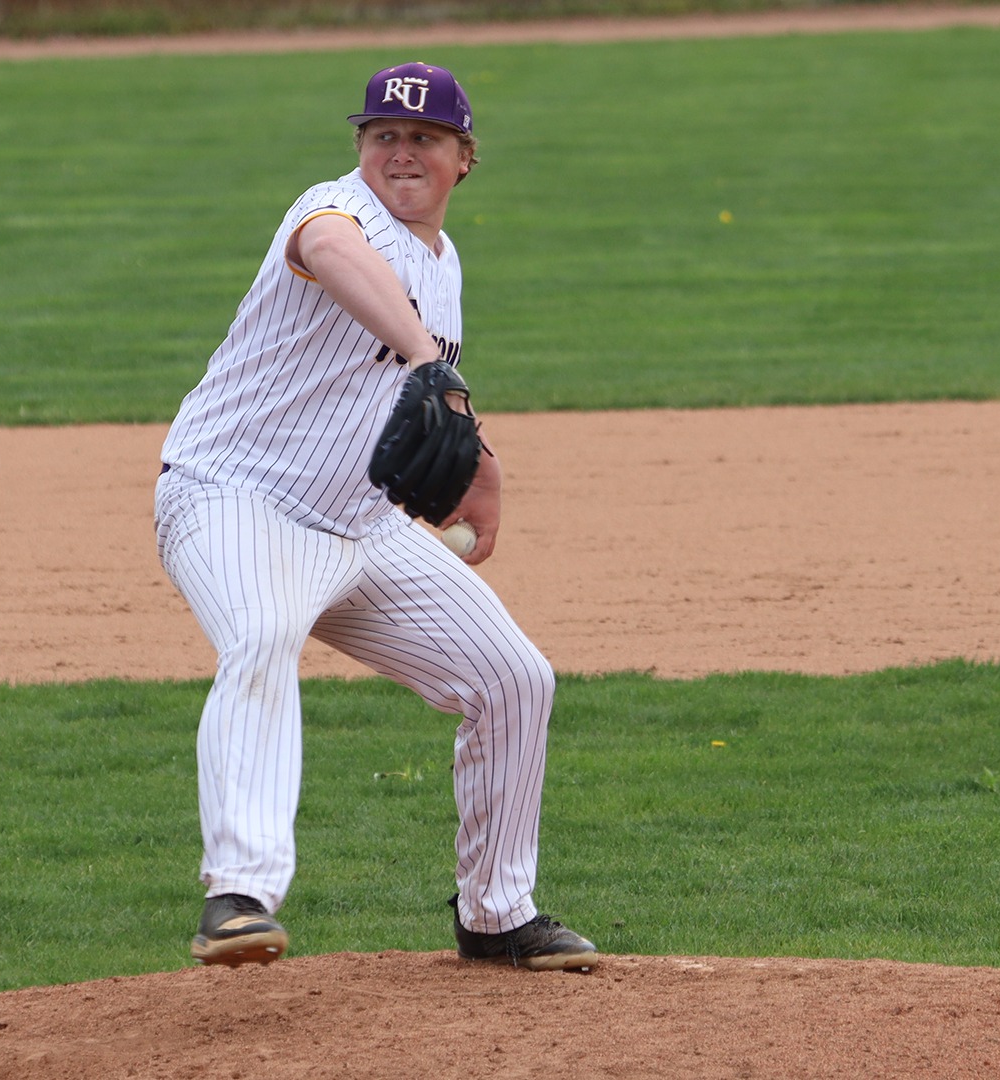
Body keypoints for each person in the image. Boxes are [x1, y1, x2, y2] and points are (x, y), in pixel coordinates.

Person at [154, 61, 596, 972]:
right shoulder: (330, 211)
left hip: (361, 528)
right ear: (359, 148)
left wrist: (480, 459)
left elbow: (423, 387)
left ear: (464, 160)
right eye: (383, 136)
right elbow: (330, 252)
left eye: (424, 139)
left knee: (515, 678)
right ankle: (239, 894)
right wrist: (440, 371)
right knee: (265, 632)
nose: (401, 152)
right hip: (236, 495)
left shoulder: (443, 263)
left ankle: (496, 912)